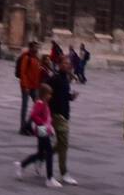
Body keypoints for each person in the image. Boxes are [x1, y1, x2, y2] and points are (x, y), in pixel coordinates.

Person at [14, 83, 62, 188]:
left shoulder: (44, 103)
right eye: (49, 94)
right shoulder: (40, 103)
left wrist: (50, 127)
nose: (50, 96)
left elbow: (47, 118)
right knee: (49, 152)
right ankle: (49, 178)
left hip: (44, 129)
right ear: (44, 94)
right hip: (42, 129)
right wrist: (43, 124)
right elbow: (33, 115)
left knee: (41, 153)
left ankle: (22, 165)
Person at [50, 54, 78, 185]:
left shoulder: (65, 79)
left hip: (64, 115)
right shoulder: (55, 79)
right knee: (64, 144)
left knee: (60, 145)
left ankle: (40, 157)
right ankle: (64, 173)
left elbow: (64, 96)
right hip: (58, 115)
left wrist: (71, 97)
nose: (68, 65)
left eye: (69, 63)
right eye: (65, 63)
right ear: (59, 64)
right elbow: (45, 93)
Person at [17, 41, 42, 135]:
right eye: (35, 47)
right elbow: (23, 73)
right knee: (25, 106)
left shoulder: (37, 58)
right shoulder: (26, 57)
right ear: (31, 48)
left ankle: (28, 125)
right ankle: (23, 127)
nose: (37, 49)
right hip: (26, 86)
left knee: (38, 106)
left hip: (34, 86)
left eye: (37, 47)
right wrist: (26, 86)